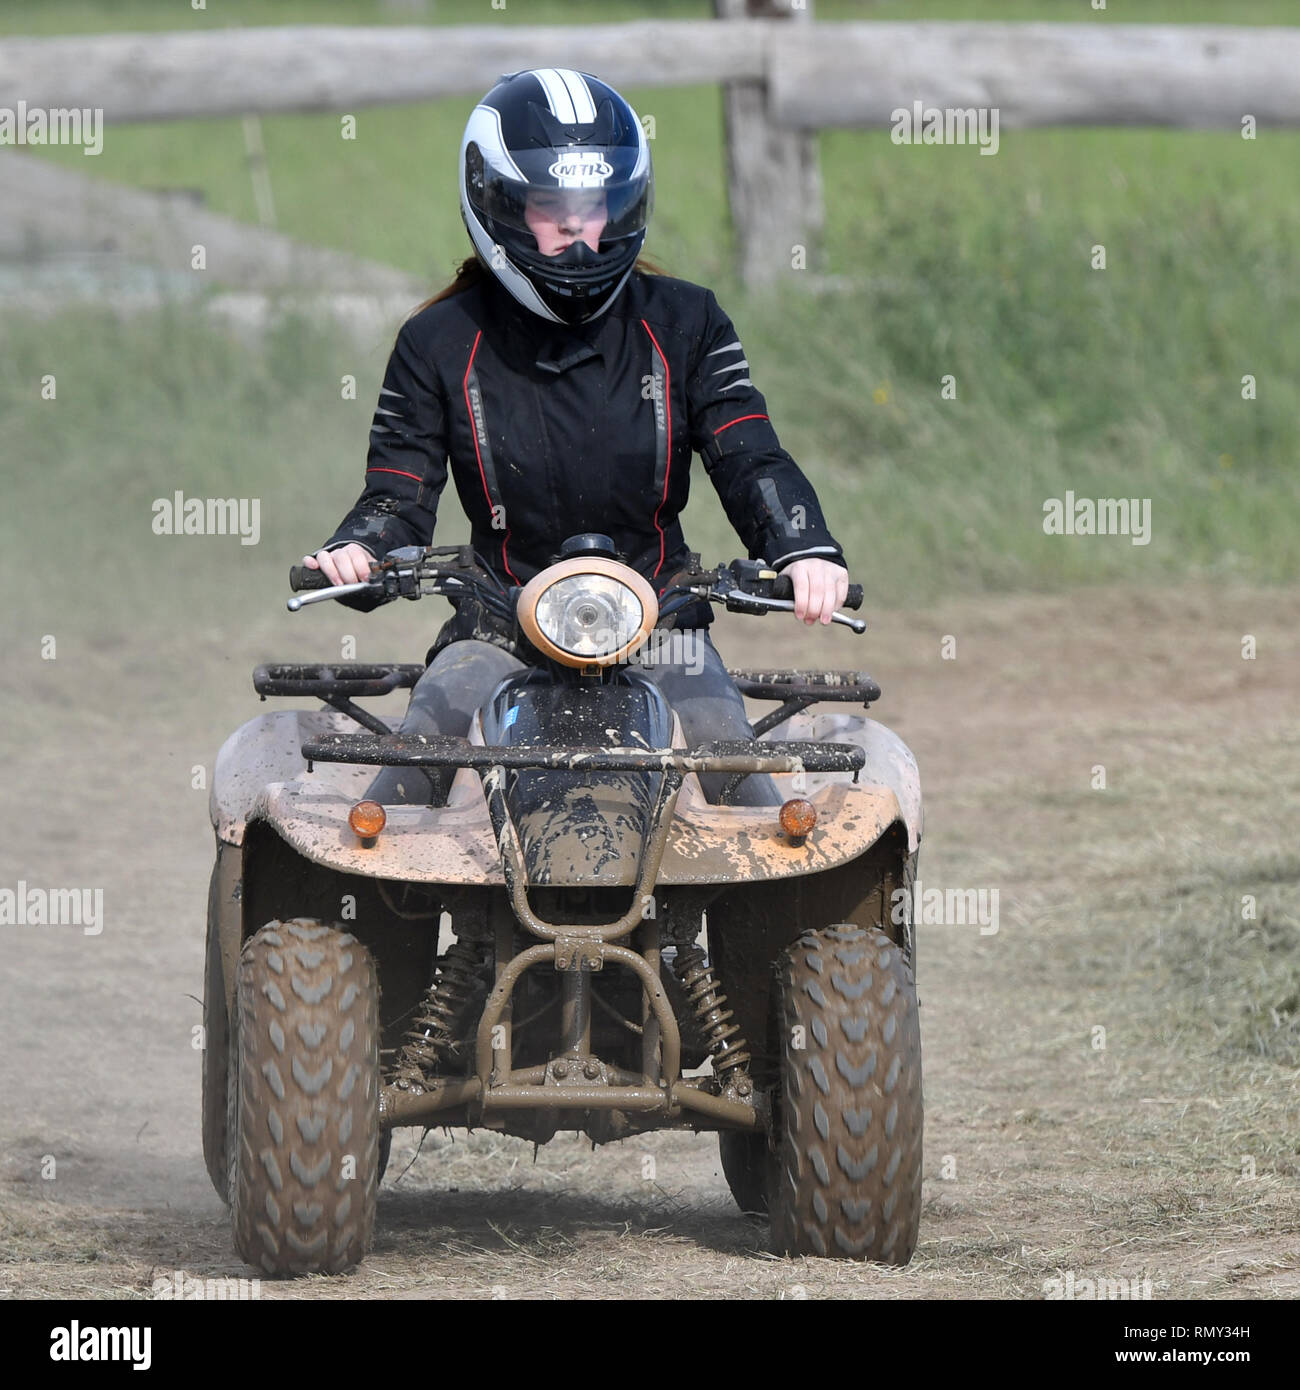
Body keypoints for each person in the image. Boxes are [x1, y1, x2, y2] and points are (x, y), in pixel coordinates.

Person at [304, 68, 850, 807]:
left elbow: (749, 453)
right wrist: (360, 552)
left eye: (593, 207)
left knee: (745, 790)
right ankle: (359, 925)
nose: (575, 230)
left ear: (623, 205)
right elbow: (397, 494)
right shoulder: (438, 341)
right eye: (549, 208)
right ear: (497, 206)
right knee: (402, 790)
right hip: (495, 620)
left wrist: (802, 546)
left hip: (662, 618)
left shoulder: (687, 323)